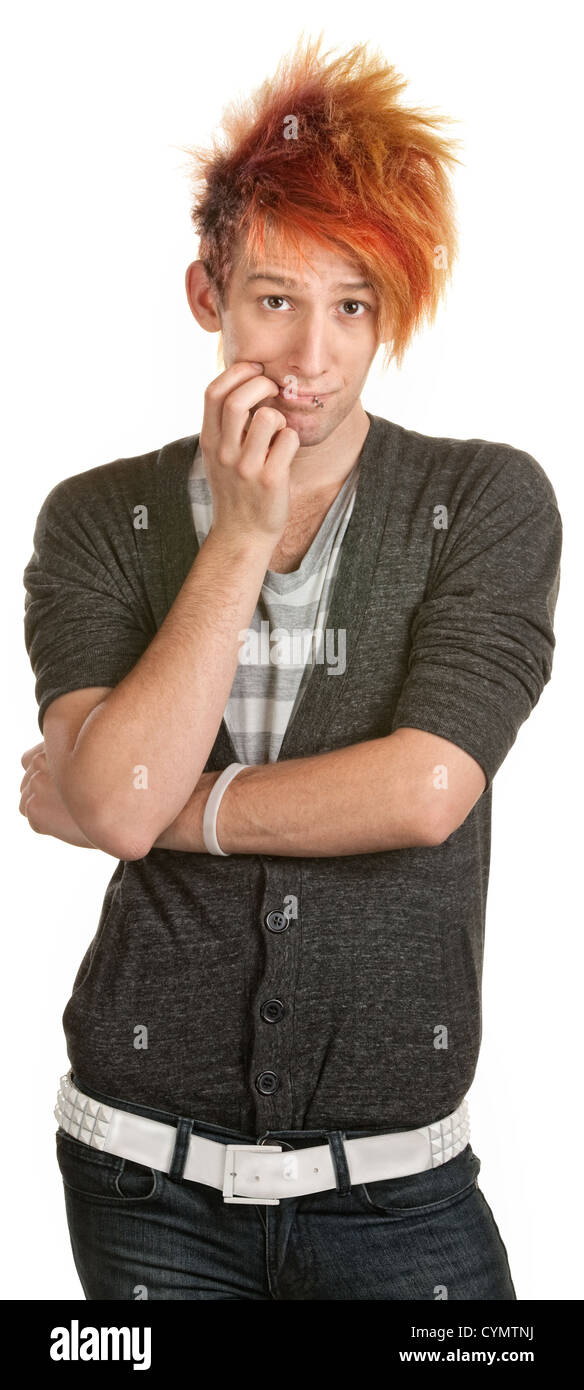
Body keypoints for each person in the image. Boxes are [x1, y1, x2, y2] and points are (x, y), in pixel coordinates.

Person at [20, 35, 562, 1300]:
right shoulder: (98, 518)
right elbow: (113, 799)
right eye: (274, 299)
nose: (312, 357)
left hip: (400, 1190)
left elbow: (426, 789)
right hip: (139, 1180)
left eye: (352, 305)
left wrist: (167, 812)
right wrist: (245, 533)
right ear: (207, 296)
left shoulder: (483, 500)